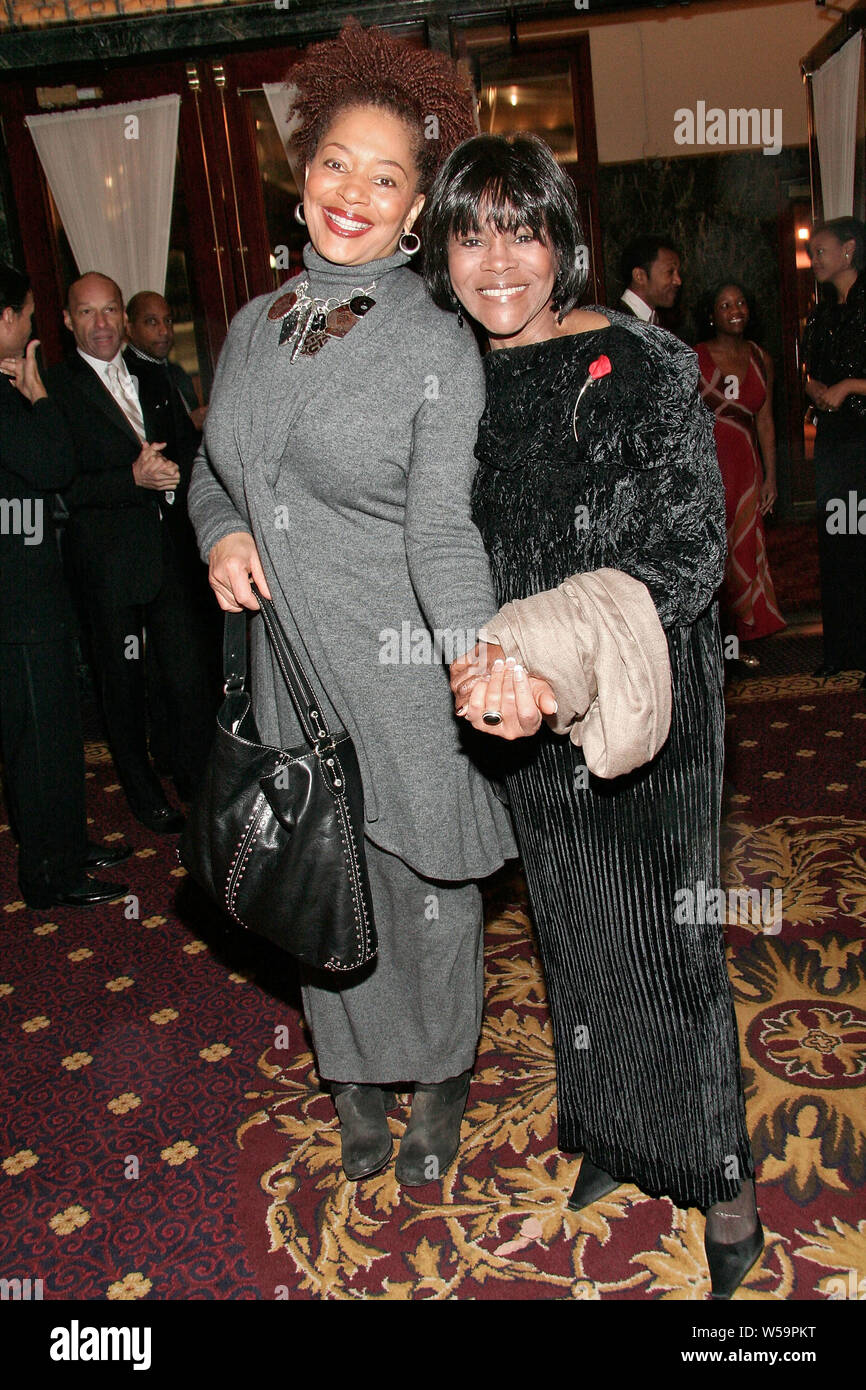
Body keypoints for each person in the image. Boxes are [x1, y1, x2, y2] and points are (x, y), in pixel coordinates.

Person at [424, 133, 763, 1300]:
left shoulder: (646, 361)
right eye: (470, 233)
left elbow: (687, 552)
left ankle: (722, 1182)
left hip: (638, 703)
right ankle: (619, 1139)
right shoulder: (451, 375)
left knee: (668, 946)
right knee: (571, 935)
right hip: (516, 713)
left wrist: (551, 645)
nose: (497, 260)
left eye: (521, 227)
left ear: (563, 240)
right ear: (445, 253)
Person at [187, 20, 517, 1187]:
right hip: (286, 668)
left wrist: (476, 657)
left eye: (386, 178)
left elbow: (440, 529)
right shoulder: (248, 325)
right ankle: (355, 1081)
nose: (354, 193)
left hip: (394, 665)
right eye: (337, 163)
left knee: (418, 887)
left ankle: (437, 1075)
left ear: (415, 212)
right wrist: (221, 530)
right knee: (319, 876)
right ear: (303, 171)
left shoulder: (434, 346)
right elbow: (210, 467)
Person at [47, 273, 214, 829]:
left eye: (110, 310)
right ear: (68, 320)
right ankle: (144, 795)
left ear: (122, 316)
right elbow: (59, 489)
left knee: (188, 675)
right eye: (87, 312)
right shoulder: (57, 389)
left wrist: (175, 476)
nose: (101, 323)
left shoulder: (153, 374)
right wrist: (131, 478)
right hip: (106, 561)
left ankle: (195, 778)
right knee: (121, 685)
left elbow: (188, 451)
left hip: (168, 549)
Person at [0, 262, 129, 908]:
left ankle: (68, 845)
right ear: (4, 320)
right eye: (25, 314)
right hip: (16, 603)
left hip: (31, 594)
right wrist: (41, 394)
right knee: (39, 741)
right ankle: (50, 872)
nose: (31, 326)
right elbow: (55, 463)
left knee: (54, 731)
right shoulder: (7, 392)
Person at [695, 281, 784, 665]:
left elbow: (765, 421)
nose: (735, 310)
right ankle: (716, 642)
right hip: (710, 465)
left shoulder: (762, 358)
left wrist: (771, 476)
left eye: (742, 302)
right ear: (711, 314)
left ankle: (742, 639)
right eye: (725, 304)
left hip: (747, 466)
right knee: (715, 550)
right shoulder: (695, 357)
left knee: (745, 548)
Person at [801, 216, 866, 683]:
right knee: (837, 543)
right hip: (834, 441)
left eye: (820, 251)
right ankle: (841, 648)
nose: (814, 260)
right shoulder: (822, 311)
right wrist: (817, 388)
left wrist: (848, 387)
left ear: (848, 250)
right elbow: (808, 371)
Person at [125, 291, 207, 430]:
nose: (164, 330)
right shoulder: (126, 374)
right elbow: (137, 436)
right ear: (129, 328)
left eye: (168, 321)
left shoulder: (176, 372)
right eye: (151, 322)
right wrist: (189, 424)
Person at [616, 234, 682, 325]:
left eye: (678, 273)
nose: (678, 281)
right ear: (639, 276)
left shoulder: (652, 319)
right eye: (670, 272)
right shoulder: (619, 325)